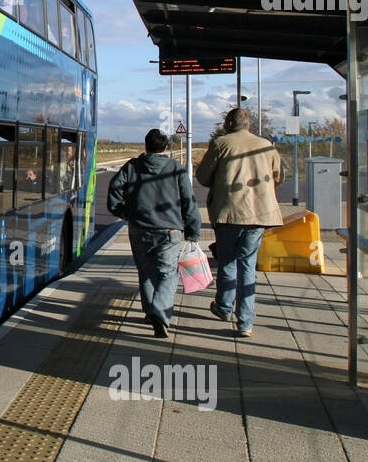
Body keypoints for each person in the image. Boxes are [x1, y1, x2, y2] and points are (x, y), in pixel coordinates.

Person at [195, 107, 284, 337]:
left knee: (227, 262)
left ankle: (224, 307)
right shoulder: (267, 145)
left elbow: (203, 177)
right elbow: (278, 177)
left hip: (228, 213)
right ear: (249, 125)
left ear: (230, 124)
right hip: (258, 215)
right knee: (247, 265)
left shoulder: (222, 144)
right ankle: (245, 322)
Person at [106, 128, 201, 338]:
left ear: (146, 145)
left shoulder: (132, 166)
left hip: (139, 228)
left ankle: (150, 313)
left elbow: (114, 190)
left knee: (146, 271)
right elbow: (189, 202)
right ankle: (159, 311)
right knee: (168, 274)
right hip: (169, 231)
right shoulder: (176, 169)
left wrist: (123, 212)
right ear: (166, 148)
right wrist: (193, 231)